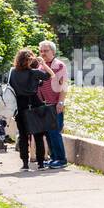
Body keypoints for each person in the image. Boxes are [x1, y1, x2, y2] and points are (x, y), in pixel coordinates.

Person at [7, 49, 54, 171]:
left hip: (20, 105)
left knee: (23, 136)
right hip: (34, 104)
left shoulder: (12, 72)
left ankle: (25, 164)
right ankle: (41, 164)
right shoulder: (34, 73)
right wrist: (43, 64)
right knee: (38, 134)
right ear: (29, 60)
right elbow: (51, 75)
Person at [37, 40, 68, 169]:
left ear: (53, 52)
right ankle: (53, 157)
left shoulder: (59, 65)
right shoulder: (39, 66)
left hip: (55, 104)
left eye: (46, 51)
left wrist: (61, 102)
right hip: (44, 104)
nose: (43, 53)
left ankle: (61, 159)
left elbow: (64, 86)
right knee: (48, 133)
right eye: (41, 51)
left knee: (55, 132)